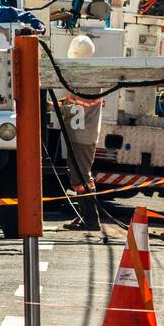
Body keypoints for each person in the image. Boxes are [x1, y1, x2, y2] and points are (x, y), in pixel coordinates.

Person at [59, 35, 104, 231]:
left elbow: (74, 108)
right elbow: (72, 104)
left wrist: (54, 107)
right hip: (80, 134)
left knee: (82, 177)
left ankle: (91, 218)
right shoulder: (87, 77)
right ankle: (85, 215)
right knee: (79, 176)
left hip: (82, 135)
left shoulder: (86, 81)